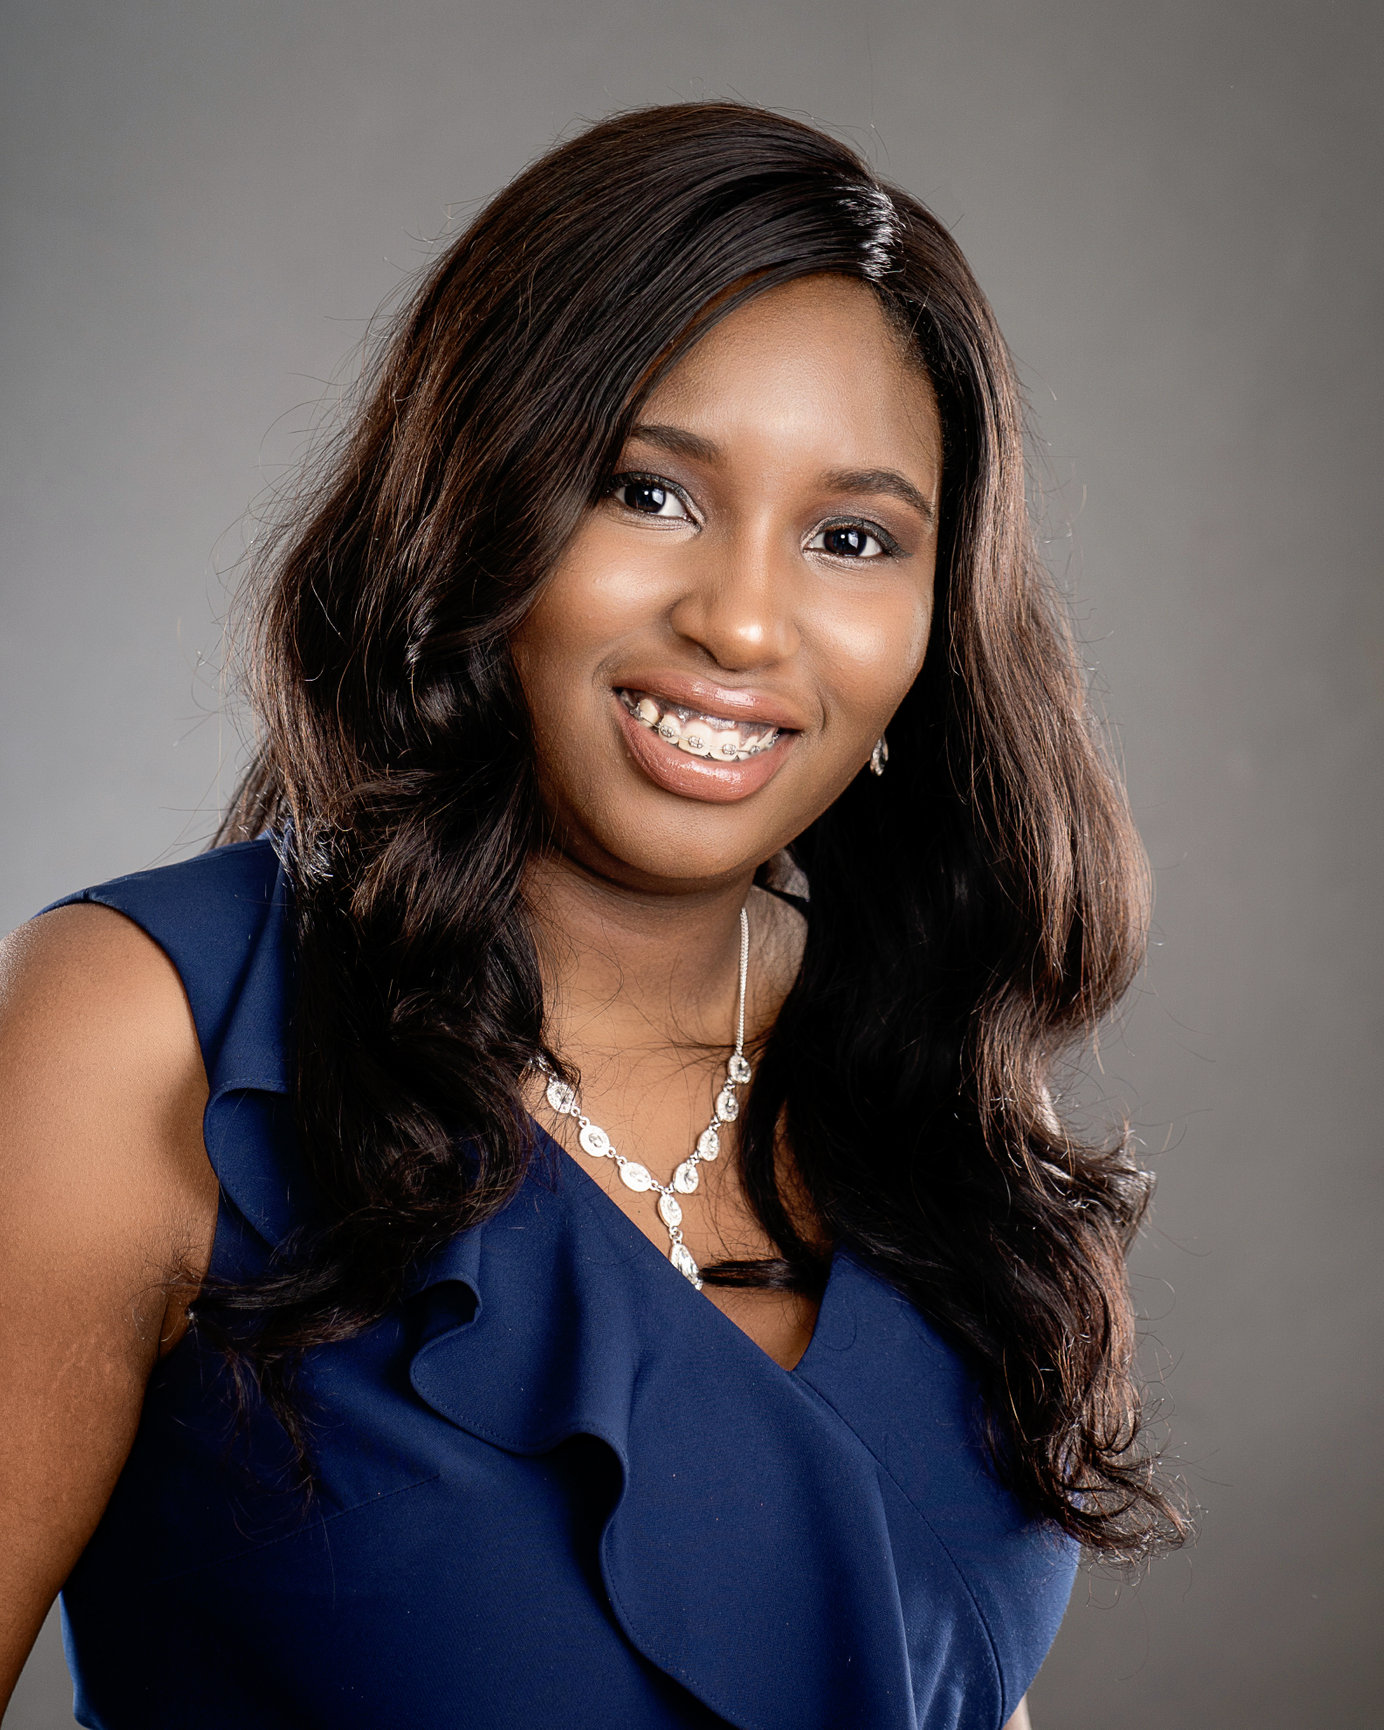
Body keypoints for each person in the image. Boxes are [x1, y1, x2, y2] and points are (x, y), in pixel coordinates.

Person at [0, 102, 1183, 1729]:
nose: (745, 619)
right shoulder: (157, 1029)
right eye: (650, 492)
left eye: (852, 537)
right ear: (479, 503)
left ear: (936, 614)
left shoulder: (931, 1092)